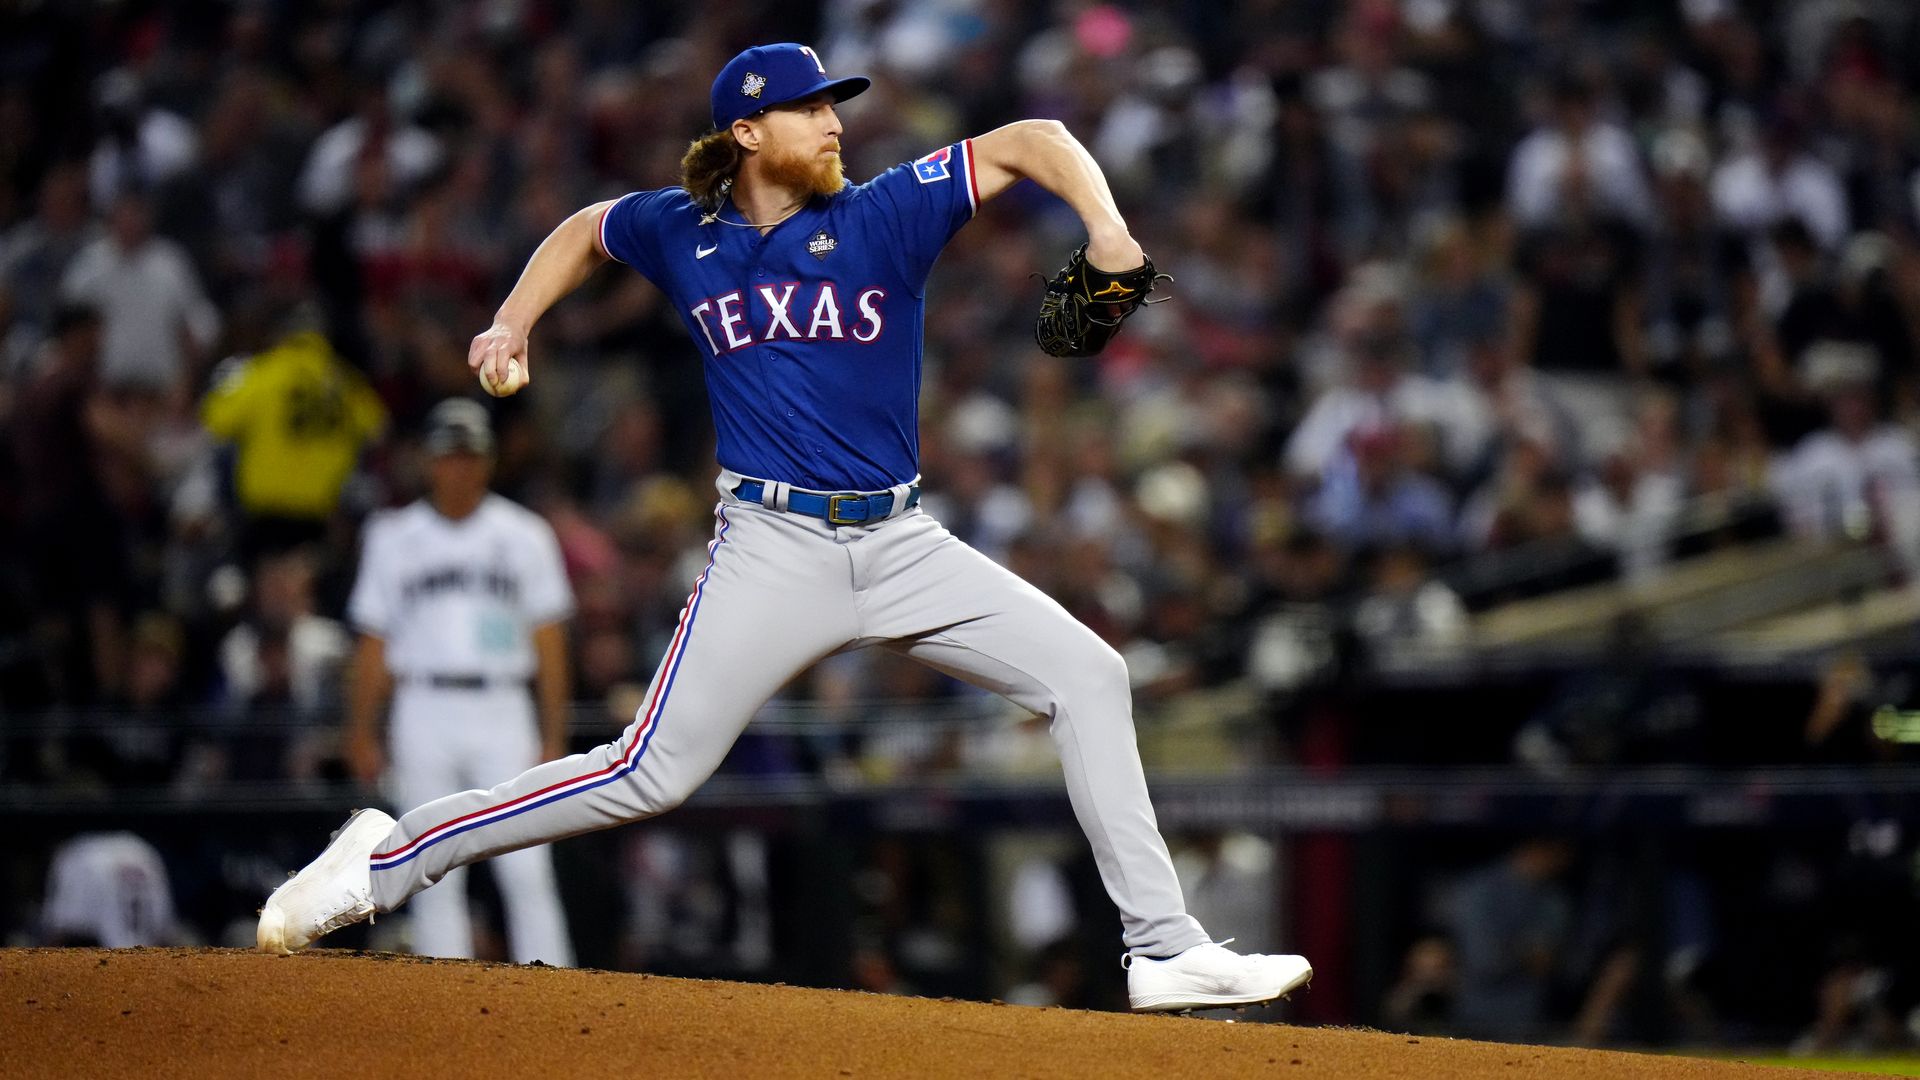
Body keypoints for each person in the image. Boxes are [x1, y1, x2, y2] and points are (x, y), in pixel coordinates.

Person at [259, 42, 1310, 1012]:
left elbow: (1033, 140)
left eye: (835, 105)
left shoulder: (884, 214)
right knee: (648, 774)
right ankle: (391, 858)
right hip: (775, 546)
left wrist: (1108, 229)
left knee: (1091, 676)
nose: (835, 122)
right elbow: (586, 228)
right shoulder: (685, 230)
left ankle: (1163, 947)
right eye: (811, 108)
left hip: (902, 543)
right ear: (747, 133)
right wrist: (512, 318)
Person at [338, 399, 576, 965]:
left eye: (471, 456)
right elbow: (373, 644)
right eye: (449, 456)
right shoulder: (392, 535)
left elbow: (549, 643)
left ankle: (560, 992)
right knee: (428, 865)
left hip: (503, 706)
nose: (460, 468)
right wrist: (362, 731)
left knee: (527, 864)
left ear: (488, 463)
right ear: (428, 462)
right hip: (423, 705)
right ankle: (442, 997)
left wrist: (553, 733)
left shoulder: (525, 534)